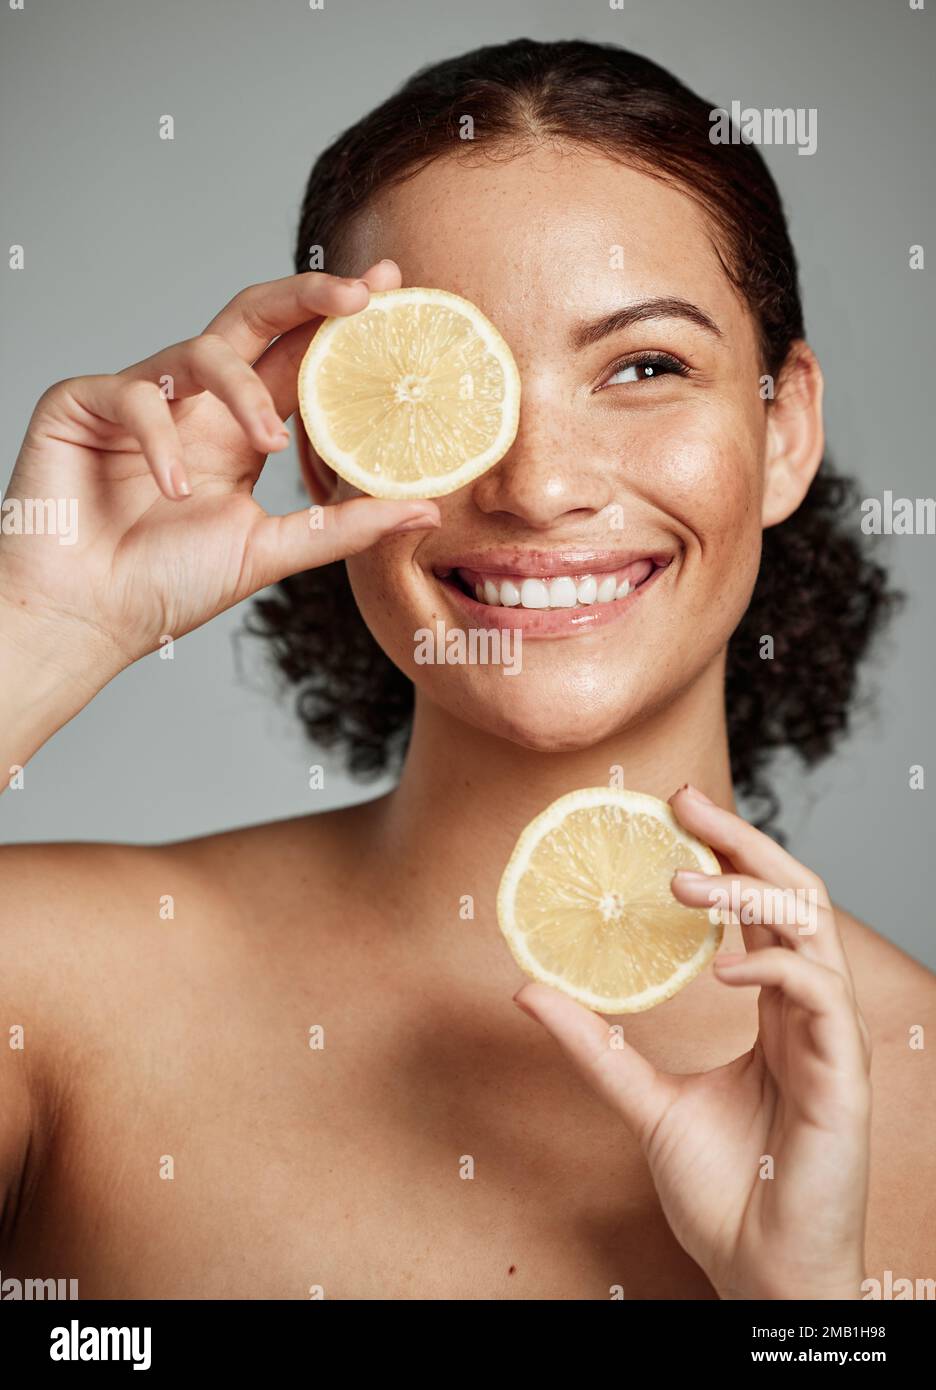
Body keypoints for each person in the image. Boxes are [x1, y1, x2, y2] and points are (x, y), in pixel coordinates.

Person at [1, 38, 933, 1300]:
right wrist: (32, 627)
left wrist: (809, 1322)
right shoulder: (54, 990)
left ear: (784, 433)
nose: (539, 487)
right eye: (445, 389)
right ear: (329, 460)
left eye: (644, 368)